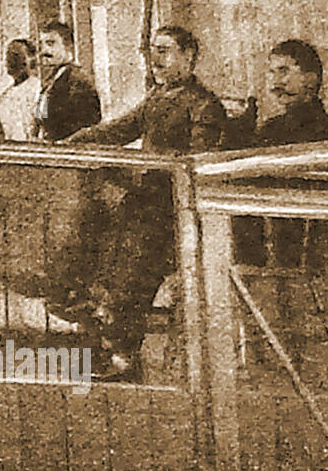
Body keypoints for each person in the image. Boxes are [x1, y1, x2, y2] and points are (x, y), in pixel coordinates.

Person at [67, 26, 227, 379]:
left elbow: (197, 162)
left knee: (133, 267)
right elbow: (120, 129)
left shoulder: (204, 106)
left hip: (175, 216)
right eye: (153, 50)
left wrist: (141, 173)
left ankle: (123, 356)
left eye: (165, 51)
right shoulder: (157, 97)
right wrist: (75, 141)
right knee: (96, 248)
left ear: (189, 56)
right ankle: (105, 343)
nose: (156, 59)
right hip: (144, 209)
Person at [240, 40, 328, 269]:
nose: (276, 83)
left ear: (310, 79)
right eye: (272, 73)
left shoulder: (322, 129)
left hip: (302, 243)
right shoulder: (273, 128)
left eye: (284, 71)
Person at [33, 21, 100, 141]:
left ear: (68, 46)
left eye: (50, 43)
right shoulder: (51, 79)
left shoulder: (78, 80)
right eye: (42, 44)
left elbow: (88, 126)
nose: (44, 51)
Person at [0, 39, 40, 142]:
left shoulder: (38, 90)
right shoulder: (6, 94)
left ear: (30, 60)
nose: (11, 62)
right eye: (9, 57)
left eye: (17, 56)